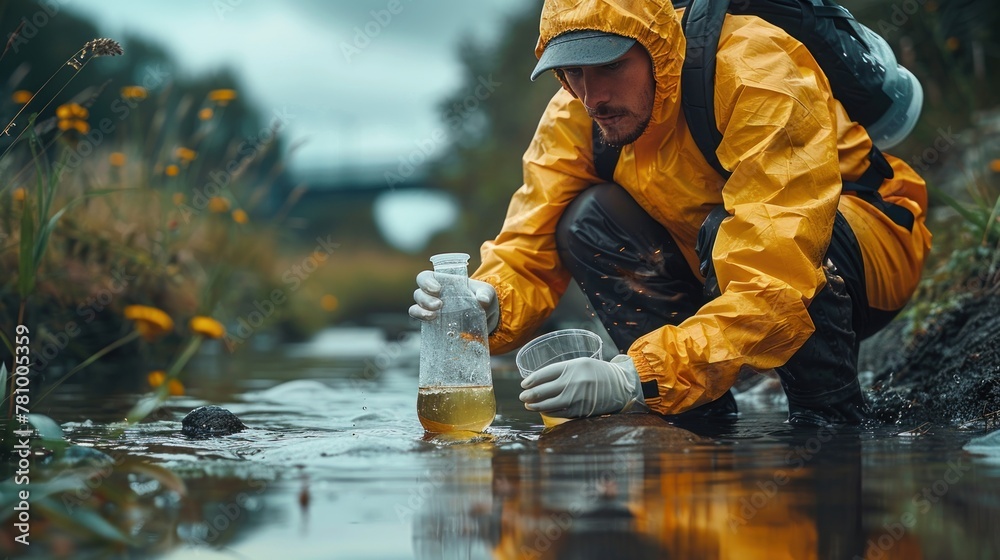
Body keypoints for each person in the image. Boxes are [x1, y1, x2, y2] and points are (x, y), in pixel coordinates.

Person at [409, 0, 931, 426]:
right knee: (586, 219)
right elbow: (527, 247)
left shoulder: (757, 71)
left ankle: (832, 423)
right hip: (719, 260)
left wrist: (634, 375)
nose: (594, 96)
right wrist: (490, 303)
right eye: (573, 71)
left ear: (657, 49)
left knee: (722, 231)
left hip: (863, 249)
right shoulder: (575, 112)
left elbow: (777, 277)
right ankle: (699, 415)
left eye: (611, 65)